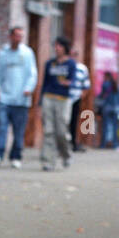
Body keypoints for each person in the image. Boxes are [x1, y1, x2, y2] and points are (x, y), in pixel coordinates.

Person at [0, 25, 37, 168]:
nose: (18, 39)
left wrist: (29, 89)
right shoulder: (3, 54)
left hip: (21, 99)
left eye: (21, 36)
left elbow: (32, 74)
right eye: (16, 35)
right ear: (10, 36)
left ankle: (16, 156)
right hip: (4, 97)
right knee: (2, 127)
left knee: (18, 130)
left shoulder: (27, 53)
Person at [38, 37, 76, 170]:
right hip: (48, 97)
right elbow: (45, 83)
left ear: (65, 48)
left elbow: (73, 80)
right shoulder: (50, 63)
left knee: (61, 131)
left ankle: (66, 155)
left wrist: (68, 83)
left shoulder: (71, 64)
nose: (56, 48)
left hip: (63, 100)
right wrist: (40, 102)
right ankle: (48, 161)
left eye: (59, 46)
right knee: (48, 130)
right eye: (55, 46)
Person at [67, 51, 91, 152]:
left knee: (73, 121)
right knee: (63, 122)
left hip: (76, 98)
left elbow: (86, 84)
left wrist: (82, 95)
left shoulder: (82, 68)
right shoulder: (65, 66)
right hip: (64, 98)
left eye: (75, 55)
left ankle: (73, 143)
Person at [95, 72, 119, 149]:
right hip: (117, 108)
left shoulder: (105, 84)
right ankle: (115, 145)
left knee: (105, 127)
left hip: (107, 107)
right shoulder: (117, 85)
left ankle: (103, 145)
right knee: (116, 127)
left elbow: (101, 95)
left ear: (106, 76)